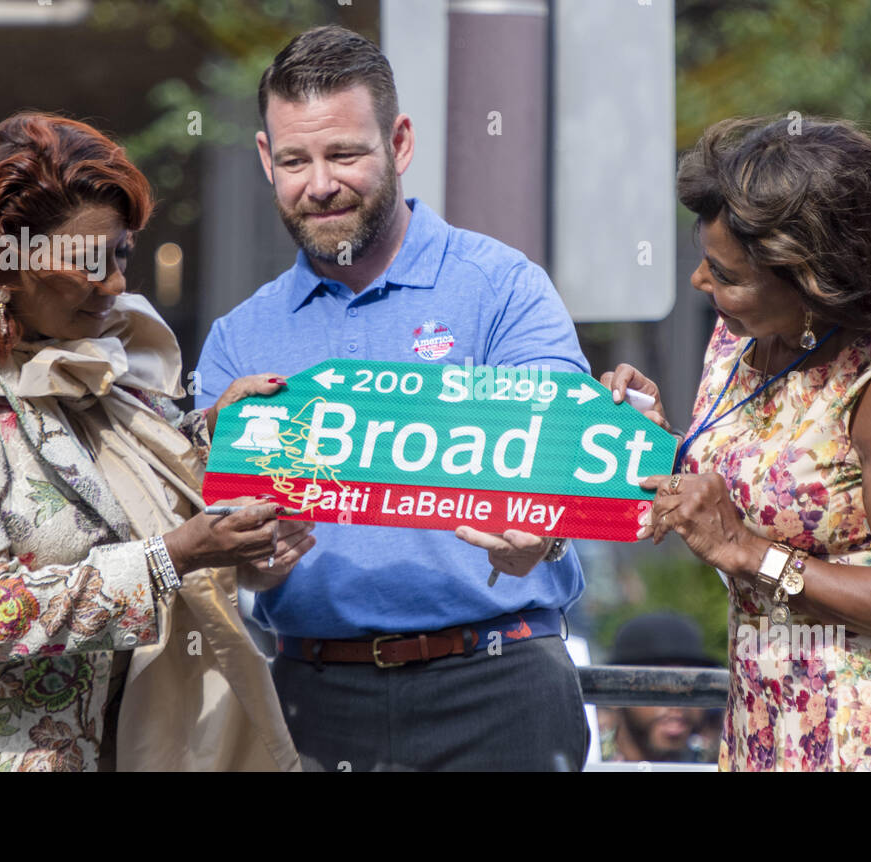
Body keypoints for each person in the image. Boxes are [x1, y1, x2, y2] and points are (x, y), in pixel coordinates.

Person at [0, 112, 310, 771]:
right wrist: (175, 556)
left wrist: (215, 442)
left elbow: (125, 480)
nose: (116, 284)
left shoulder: (83, 347)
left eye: (119, 254)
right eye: (86, 263)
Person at [194, 25, 591, 771]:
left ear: (400, 143)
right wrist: (253, 558)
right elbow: (215, 546)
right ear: (263, 160)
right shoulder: (237, 339)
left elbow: (562, 463)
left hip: (500, 687)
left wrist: (543, 530)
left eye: (345, 153)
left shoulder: (504, 287)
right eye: (294, 160)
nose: (320, 184)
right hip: (310, 697)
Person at [604, 116, 871, 771]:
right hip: (767, 712)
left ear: (816, 280)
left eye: (726, 274)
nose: (701, 284)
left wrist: (750, 554)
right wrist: (651, 441)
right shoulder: (739, 339)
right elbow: (762, 489)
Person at [597, 612, 720, 764]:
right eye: (659, 685)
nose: (677, 704)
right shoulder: (584, 761)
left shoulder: (721, 764)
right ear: (614, 691)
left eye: (691, 686)